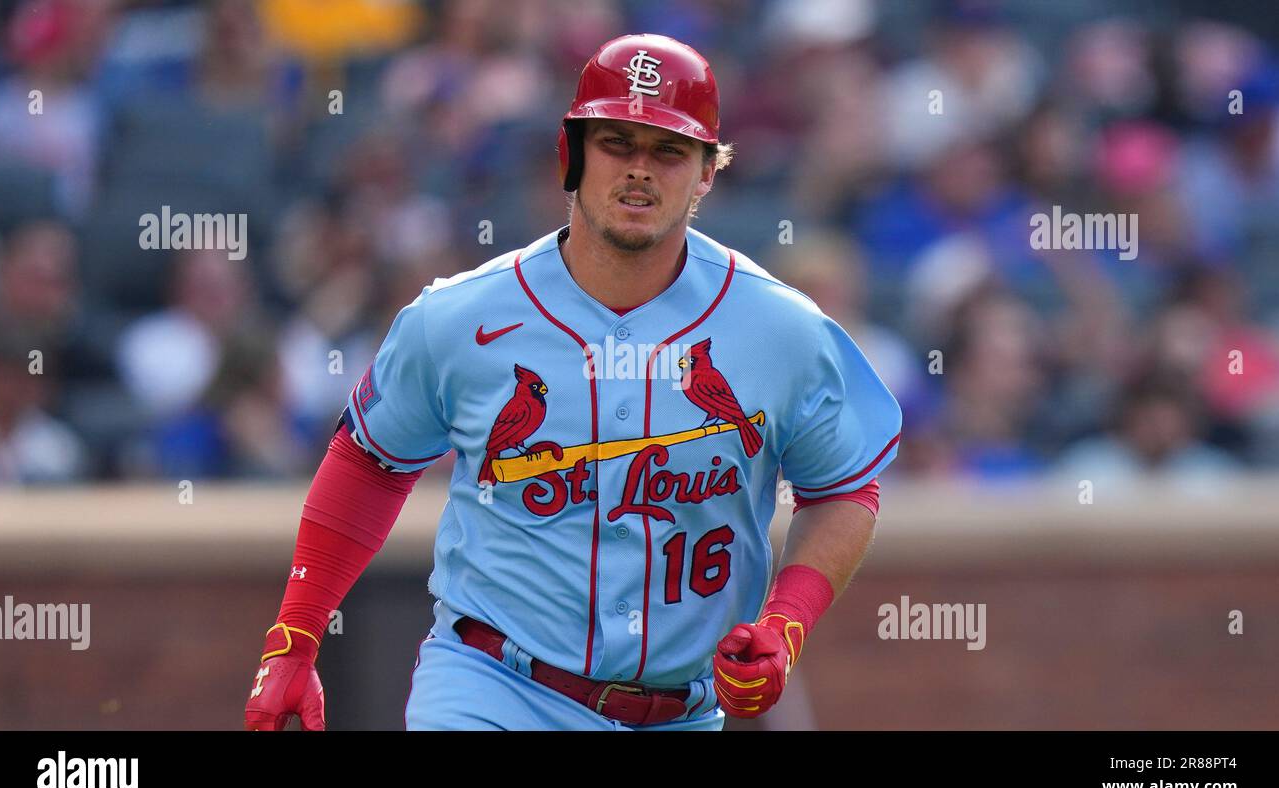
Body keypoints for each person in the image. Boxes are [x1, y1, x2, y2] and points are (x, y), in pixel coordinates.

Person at [244, 33, 901, 731]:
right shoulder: (459, 316)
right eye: (617, 143)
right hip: (492, 688)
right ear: (572, 154)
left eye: (668, 150)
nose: (639, 170)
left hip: (679, 713)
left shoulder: (780, 327)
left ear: (708, 172)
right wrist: (295, 635)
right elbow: (370, 461)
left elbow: (844, 486)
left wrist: (786, 622)